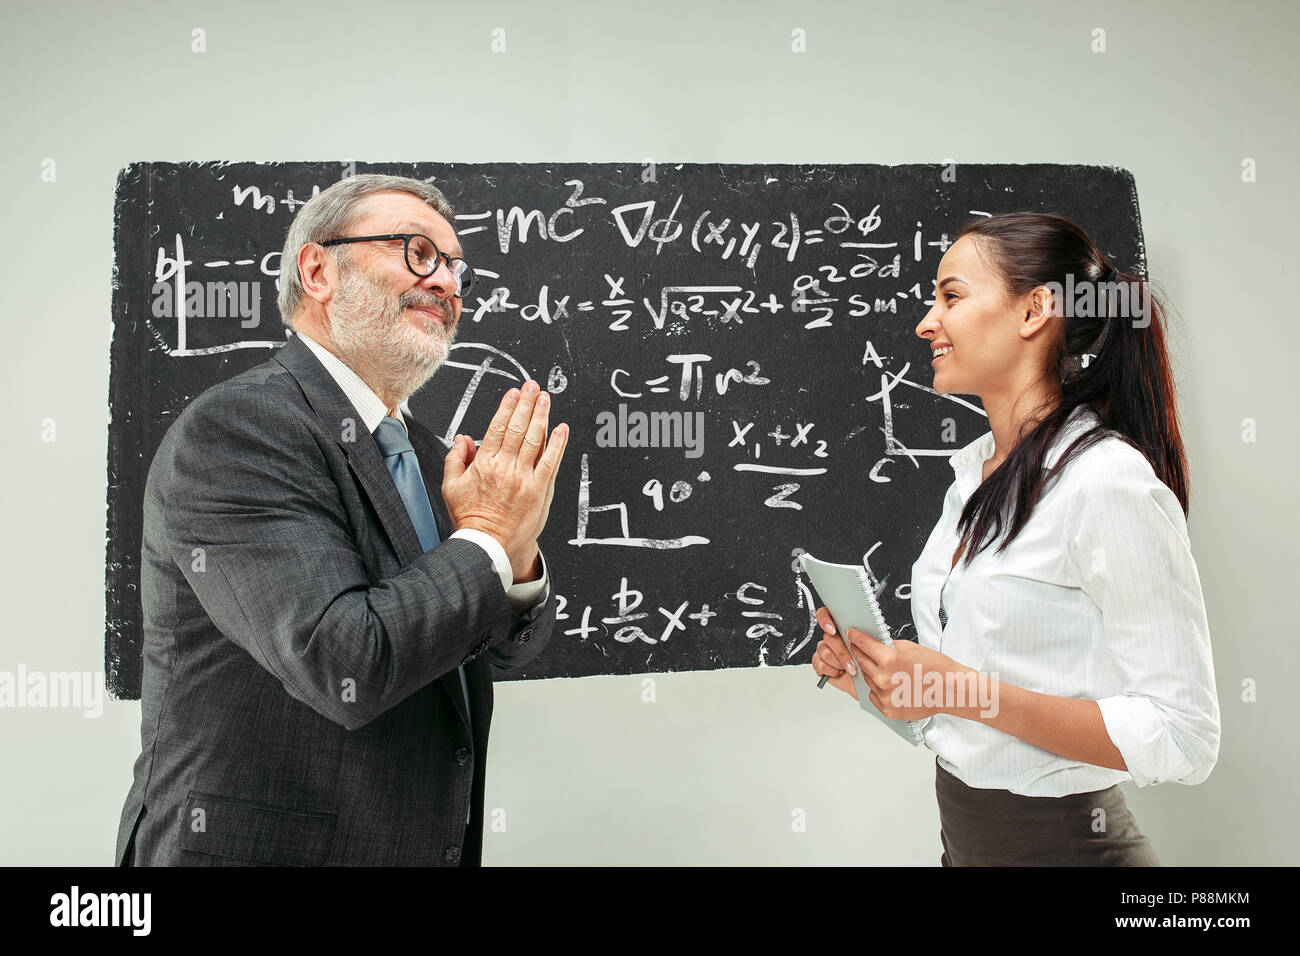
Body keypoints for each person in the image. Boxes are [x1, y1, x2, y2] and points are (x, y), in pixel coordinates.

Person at [115, 173, 569, 866]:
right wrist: (485, 536)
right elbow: (344, 661)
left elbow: (499, 648)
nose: (447, 284)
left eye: (456, 269)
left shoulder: (428, 454)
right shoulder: (240, 430)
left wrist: (516, 551)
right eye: (418, 252)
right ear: (318, 270)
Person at [811, 211, 1220, 866]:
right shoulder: (972, 475)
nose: (926, 323)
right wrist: (883, 683)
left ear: (1034, 311)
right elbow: (978, 709)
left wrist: (957, 688)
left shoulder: (1104, 482)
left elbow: (1184, 737)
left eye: (951, 296)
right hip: (964, 846)